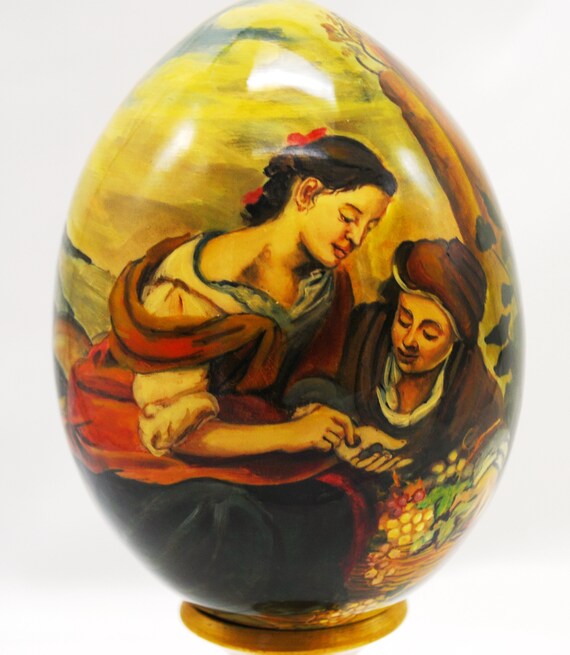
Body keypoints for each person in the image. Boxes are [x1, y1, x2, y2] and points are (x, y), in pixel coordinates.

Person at [66, 130, 398, 613]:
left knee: (343, 501)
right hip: (147, 444)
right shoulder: (191, 285)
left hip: (248, 429)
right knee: (226, 523)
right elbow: (180, 436)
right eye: (350, 217)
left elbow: (301, 382)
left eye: (370, 226)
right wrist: (292, 434)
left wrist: (332, 425)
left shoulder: (324, 283)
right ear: (307, 194)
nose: (357, 237)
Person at [285, 238, 505, 479]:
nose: (408, 340)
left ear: (456, 338)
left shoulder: (471, 384)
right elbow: (302, 386)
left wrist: (403, 451)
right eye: (404, 320)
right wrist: (347, 429)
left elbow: (488, 442)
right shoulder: (364, 330)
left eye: (429, 334)